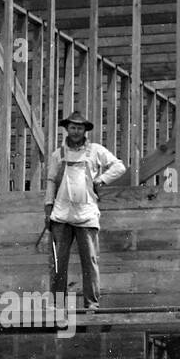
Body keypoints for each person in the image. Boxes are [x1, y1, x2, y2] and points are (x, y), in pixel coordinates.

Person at [43, 111, 125, 311]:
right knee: (58, 262)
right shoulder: (58, 154)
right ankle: (57, 304)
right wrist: (48, 209)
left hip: (87, 215)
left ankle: (92, 304)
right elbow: (51, 182)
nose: (76, 131)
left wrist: (101, 179)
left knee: (90, 261)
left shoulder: (95, 151)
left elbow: (119, 167)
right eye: (73, 127)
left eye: (80, 128)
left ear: (85, 130)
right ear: (67, 129)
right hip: (61, 215)